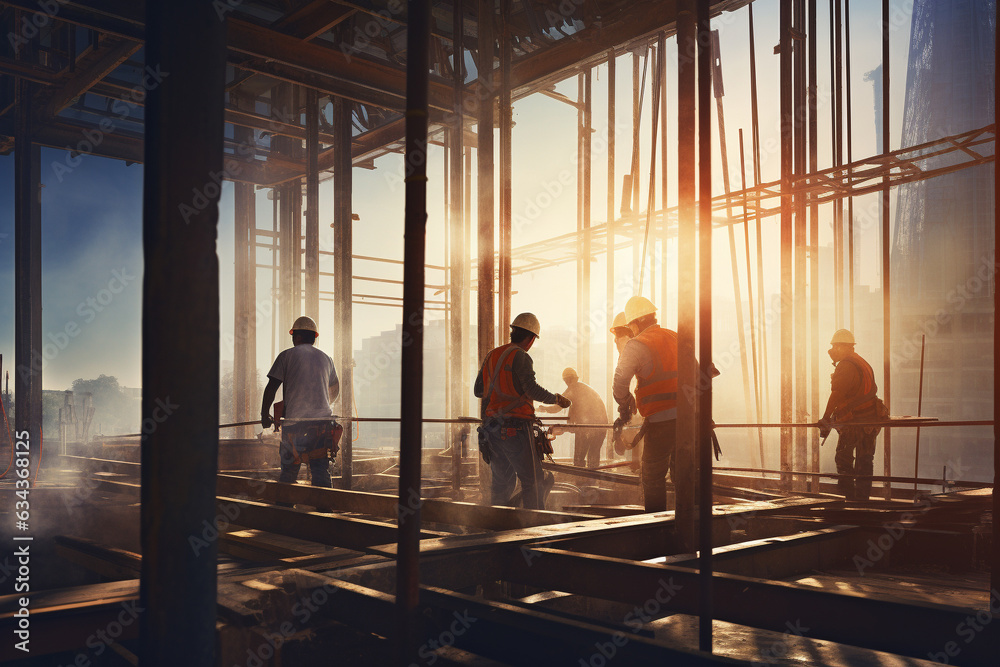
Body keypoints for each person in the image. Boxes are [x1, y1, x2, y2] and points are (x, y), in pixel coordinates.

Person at [474, 313, 571, 509]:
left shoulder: (492, 355)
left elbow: (479, 391)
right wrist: (557, 399)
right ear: (531, 338)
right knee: (533, 481)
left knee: (501, 484)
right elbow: (531, 389)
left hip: (492, 429)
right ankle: (533, 527)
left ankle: (498, 527)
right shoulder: (521, 356)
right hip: (516, 429)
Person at [612, 296, 679, 512]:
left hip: (661, 422)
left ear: (635, 323)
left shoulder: (636, 344)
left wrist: (625, 403)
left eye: (630, 326)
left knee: (652, 476)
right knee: (684, 475)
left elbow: (620, 382)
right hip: (690, 421)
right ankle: (692, 526)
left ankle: (656, 528)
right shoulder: (676, 336)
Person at [261, 316, 340, 488]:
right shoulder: (327, 359)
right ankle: (324, 510)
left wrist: (264, 415)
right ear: (314, 337)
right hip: (322, 425)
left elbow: (271, 388)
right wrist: (323, 404)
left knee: (289, 472)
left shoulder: (286, 356)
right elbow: (335, 389)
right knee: (320, 470)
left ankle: (286, 509)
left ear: (295, 336)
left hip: (295, 426)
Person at [819, 329, 886, 501]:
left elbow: (837, 394)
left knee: (843, 459)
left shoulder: (846, 365)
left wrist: (826, 419)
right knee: (865, 461)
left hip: (855, 423)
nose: (832, 350)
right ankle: (861, 501)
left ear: (844, 347)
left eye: (834, 346)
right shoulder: (861, 362)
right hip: (869, 422)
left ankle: (849, 498)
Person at [538, 367, 608, 468]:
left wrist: (544, 408)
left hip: (586, 427)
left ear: (567, 380)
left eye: (566, 380)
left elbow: (557, 407)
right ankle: (592, 480)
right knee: (593, 456)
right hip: (600, 427)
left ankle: (580, 481)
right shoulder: (585, 388)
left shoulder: (573, 388)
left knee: (579, 458)